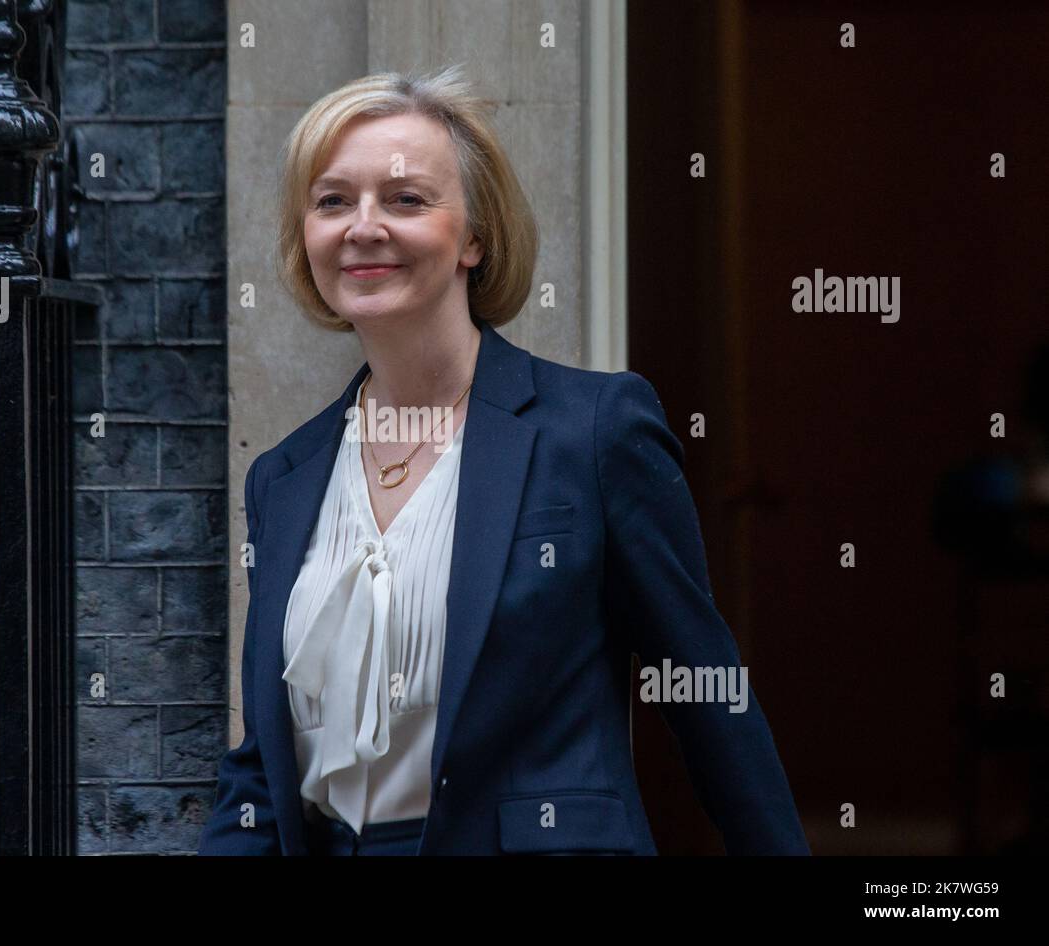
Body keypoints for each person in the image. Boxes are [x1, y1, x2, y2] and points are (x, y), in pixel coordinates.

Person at [198, 64, 808, 856]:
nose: (363, 225)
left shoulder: (593, 431)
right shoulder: (282, 476)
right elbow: (266, 765)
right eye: (332, 201)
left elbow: (704, 695)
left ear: (476, 237)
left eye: (407, 199)